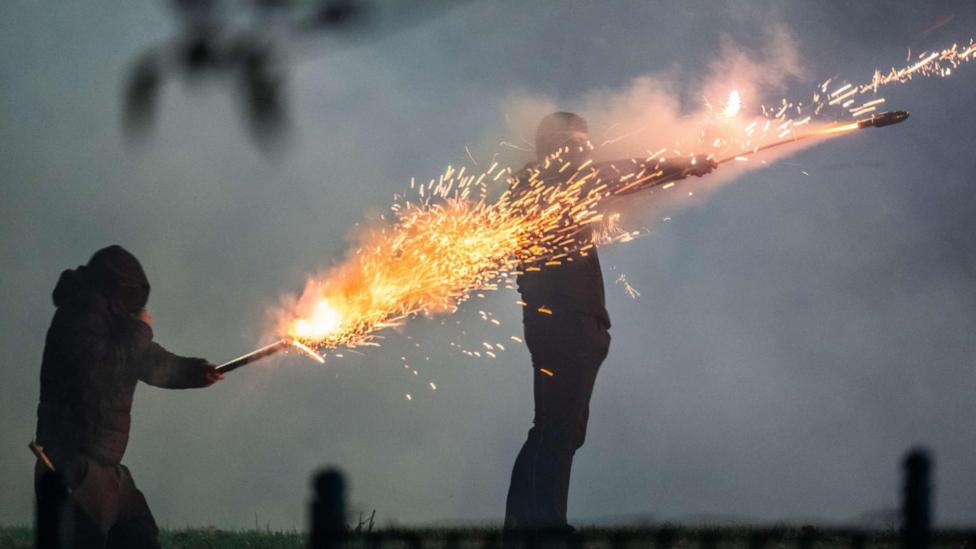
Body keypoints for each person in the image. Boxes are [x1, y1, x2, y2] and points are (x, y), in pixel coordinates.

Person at [504, 112, 716, 532]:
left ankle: (535, 526)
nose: (585, 151)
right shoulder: (543, 183)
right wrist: (682, 164)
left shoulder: (556, 184)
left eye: (586, 143)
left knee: (559, 431)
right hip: (562, 325)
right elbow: (621, 174)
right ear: (553, 147)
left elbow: (617, 177)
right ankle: (540, 529)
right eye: (576, 143)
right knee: (555, 432)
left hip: (576, 325)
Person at [33, 245, 223, 548]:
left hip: (106, 472)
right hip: (73, 468)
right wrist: (139, 329)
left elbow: (150, 362)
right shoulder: (79, 315)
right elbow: (99, 371)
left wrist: (197, 372)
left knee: (139, 536)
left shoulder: (113, 322)